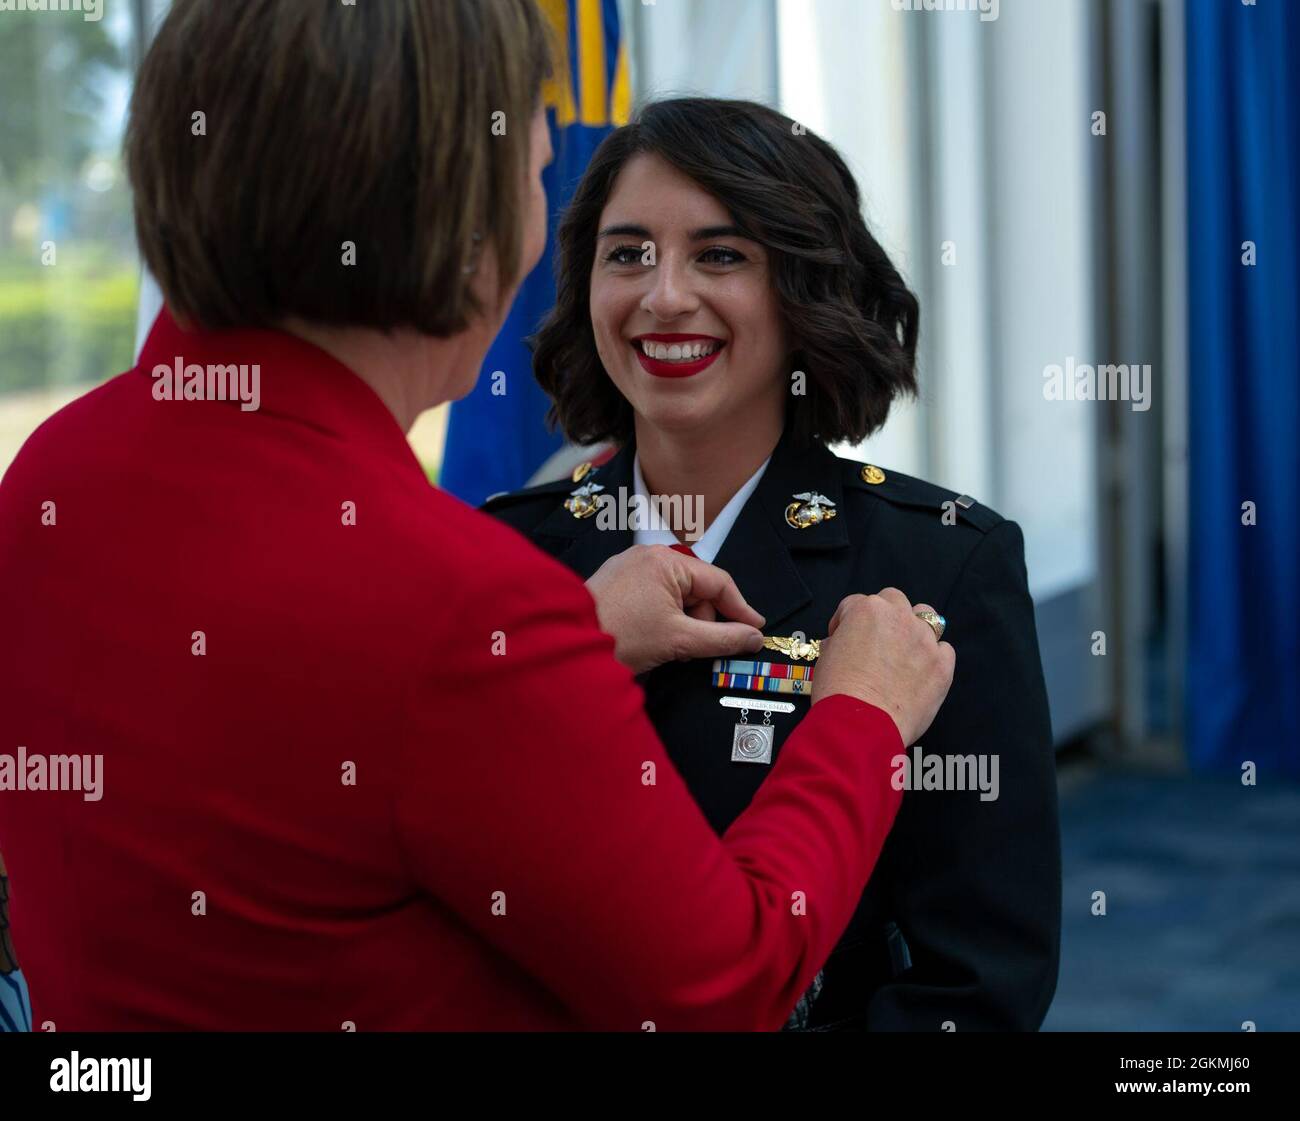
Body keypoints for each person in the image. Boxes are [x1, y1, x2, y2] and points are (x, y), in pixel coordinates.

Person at [0, 2, 954, 1031]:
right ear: (458, 222)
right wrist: (858, 720)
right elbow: (722, 985)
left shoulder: (57, 472)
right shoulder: (456, 597)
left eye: (721, 255)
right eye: (537, 180)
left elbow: (278, 751)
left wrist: (552, 646)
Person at [486, 97, 1060, 1030]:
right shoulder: (502, 554)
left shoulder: (945, 565)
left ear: (805, 291)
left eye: (720, 255)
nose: (663, 294)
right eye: (627, 254)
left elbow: (978, 985)